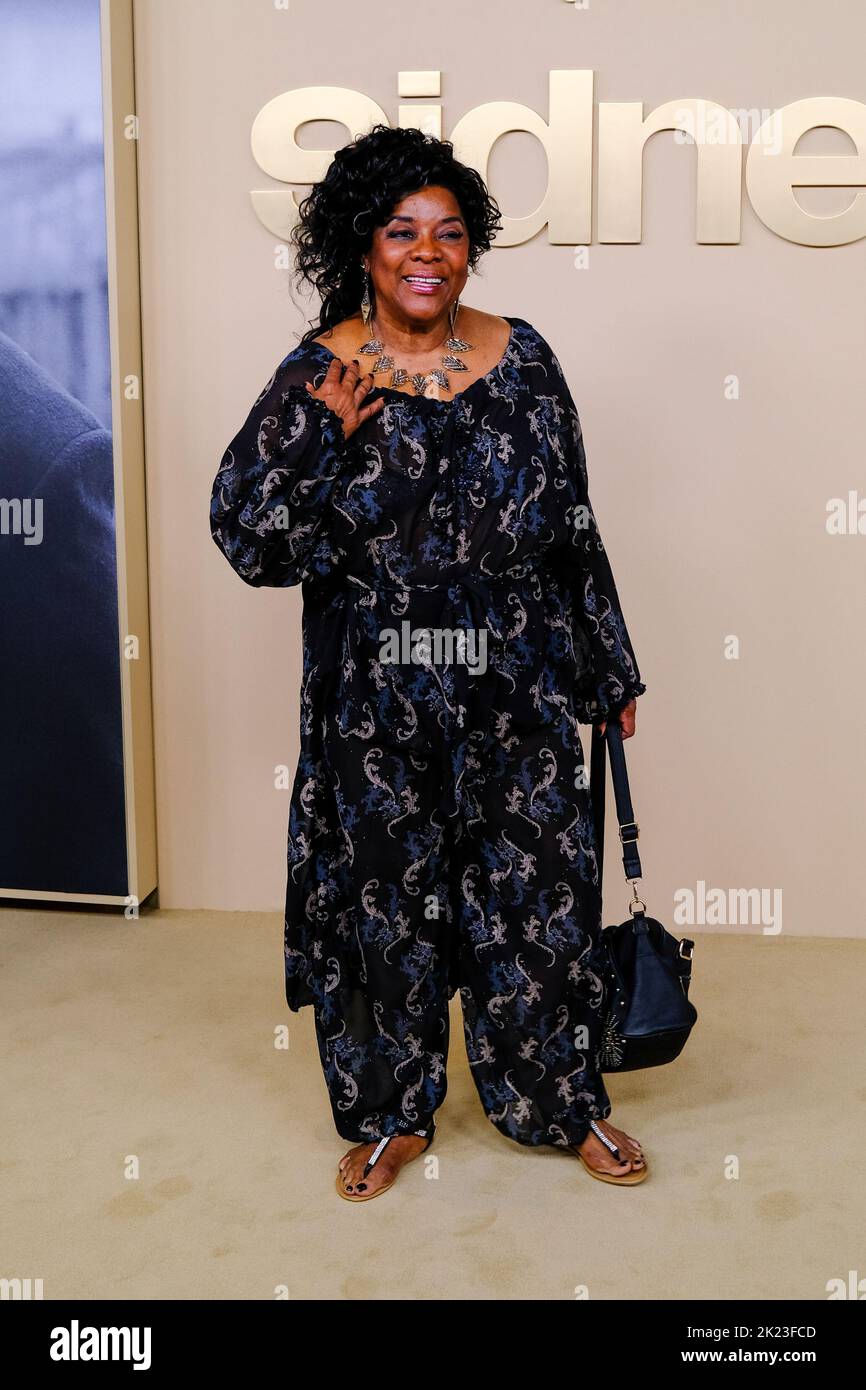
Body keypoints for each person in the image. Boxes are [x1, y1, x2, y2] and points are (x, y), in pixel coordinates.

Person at [210, 125, 648, 1200]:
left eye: (448, 232)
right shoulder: (323, 369)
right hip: (374, 699)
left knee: (535, 898)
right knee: (382, 914)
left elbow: (573, 527)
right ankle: (392, 1114)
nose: (426, 251)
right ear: (361, 245)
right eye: (401, 230)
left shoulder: (526, 357)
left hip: (523, 691)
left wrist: (608, 663)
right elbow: (250, 540)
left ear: (471, 247)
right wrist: (317, 432)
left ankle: (560, 1098)